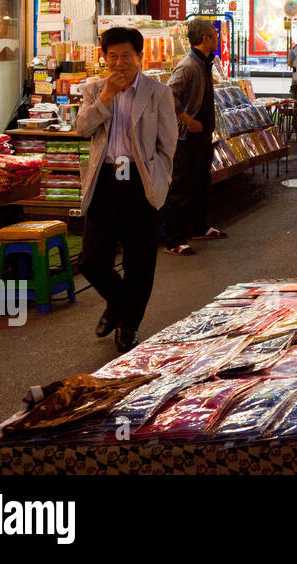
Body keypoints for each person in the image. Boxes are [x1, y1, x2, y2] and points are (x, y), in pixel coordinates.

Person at [77, 27, 178, 351]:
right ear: (104, 57)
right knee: (92, 260)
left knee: (140, 261)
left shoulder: (157, 92)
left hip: (139, 181)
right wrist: (106, 97)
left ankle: (128, 325)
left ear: (139, 57)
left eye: (125, 56)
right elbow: (82, 128)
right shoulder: (94, 89)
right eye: (112, 56)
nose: (119, 63)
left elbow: (168, 144)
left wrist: (159, 177)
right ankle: (118, 302)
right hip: (106, 180)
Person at [161, 18, 225, 254]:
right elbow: (168, 93)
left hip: (203, 135)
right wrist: (187, 119)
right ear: (205, 38)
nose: (216, 38)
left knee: (200, 183)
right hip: (186, 137)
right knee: (181, 186)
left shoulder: (205, 63)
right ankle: (175, 240)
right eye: (213, 35)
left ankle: (199, 227)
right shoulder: (188, 65)